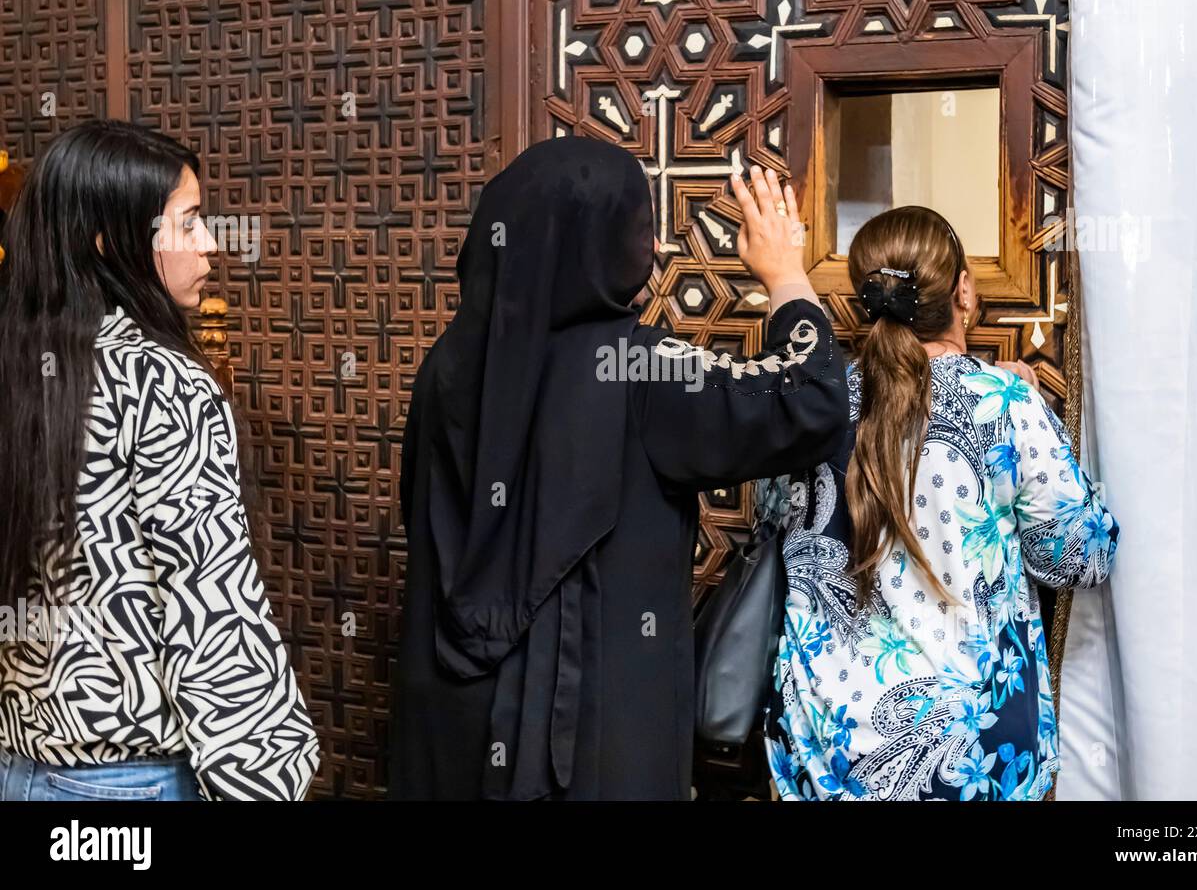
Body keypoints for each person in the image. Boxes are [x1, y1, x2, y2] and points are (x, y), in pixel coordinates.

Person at [393, 136, 848, 799]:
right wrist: (784, 276)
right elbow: (807, 400)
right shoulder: (639, 371)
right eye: (638, 232)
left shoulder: (446, 369)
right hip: (588, 745)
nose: (657, 251)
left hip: (454, 727)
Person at [0, 120, 320, 801]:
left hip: (20, 767)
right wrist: (264, 780)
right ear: (107, 239)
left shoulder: (20, 371)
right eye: (187, 222)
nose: (208, 245)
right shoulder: (162, 381)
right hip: (132, 782)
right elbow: (211, 601)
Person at [764, 206, 1119, 801]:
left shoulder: (810, 410)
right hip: (978, 757)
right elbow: (1080, 557)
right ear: (964, 292)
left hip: (824, 754)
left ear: (863, 302)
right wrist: (1035, 418)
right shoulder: (1004, 404)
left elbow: (776, 522)